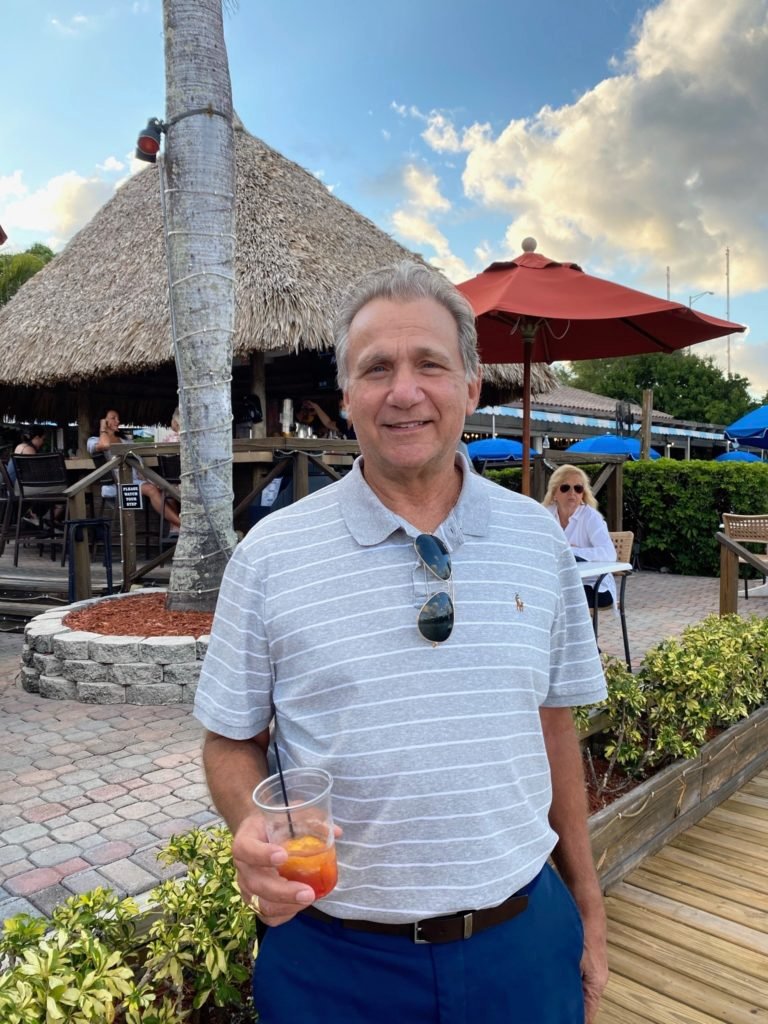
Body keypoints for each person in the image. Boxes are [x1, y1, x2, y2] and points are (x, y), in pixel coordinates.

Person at [194, 262, 609, 1024]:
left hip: (522, 941)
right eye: (376, 368)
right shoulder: (270, 555)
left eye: (430, 364)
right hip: (332, 961)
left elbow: (555, 727)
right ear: (346, 396)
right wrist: (250, 824)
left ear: (472, 387)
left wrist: (588, 901)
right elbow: (230, 739)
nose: (405, 390)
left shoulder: (536, 538)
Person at [88, 408, 181, 533]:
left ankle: (174, 527)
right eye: (113, 418)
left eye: (118, 418)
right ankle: (183, 525)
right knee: (151, 489)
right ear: (103, 421)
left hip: (135, 481)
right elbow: (105, 445)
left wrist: (147, 477)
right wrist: (103, 429)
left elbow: (139, 462)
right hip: (116, 485)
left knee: (166, 488)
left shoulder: (125, 440)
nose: (118, 421)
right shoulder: (93, 440)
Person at [543, 465, 617, 610]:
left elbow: (609, 554)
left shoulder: (591, 517)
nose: (572, 493)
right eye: (565, 488)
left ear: (583, 494)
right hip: (559, 582)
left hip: (595, 585)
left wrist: (573, 551)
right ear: (554, 493)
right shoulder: (546, 515)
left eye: (578, 488)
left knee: (559, 599)